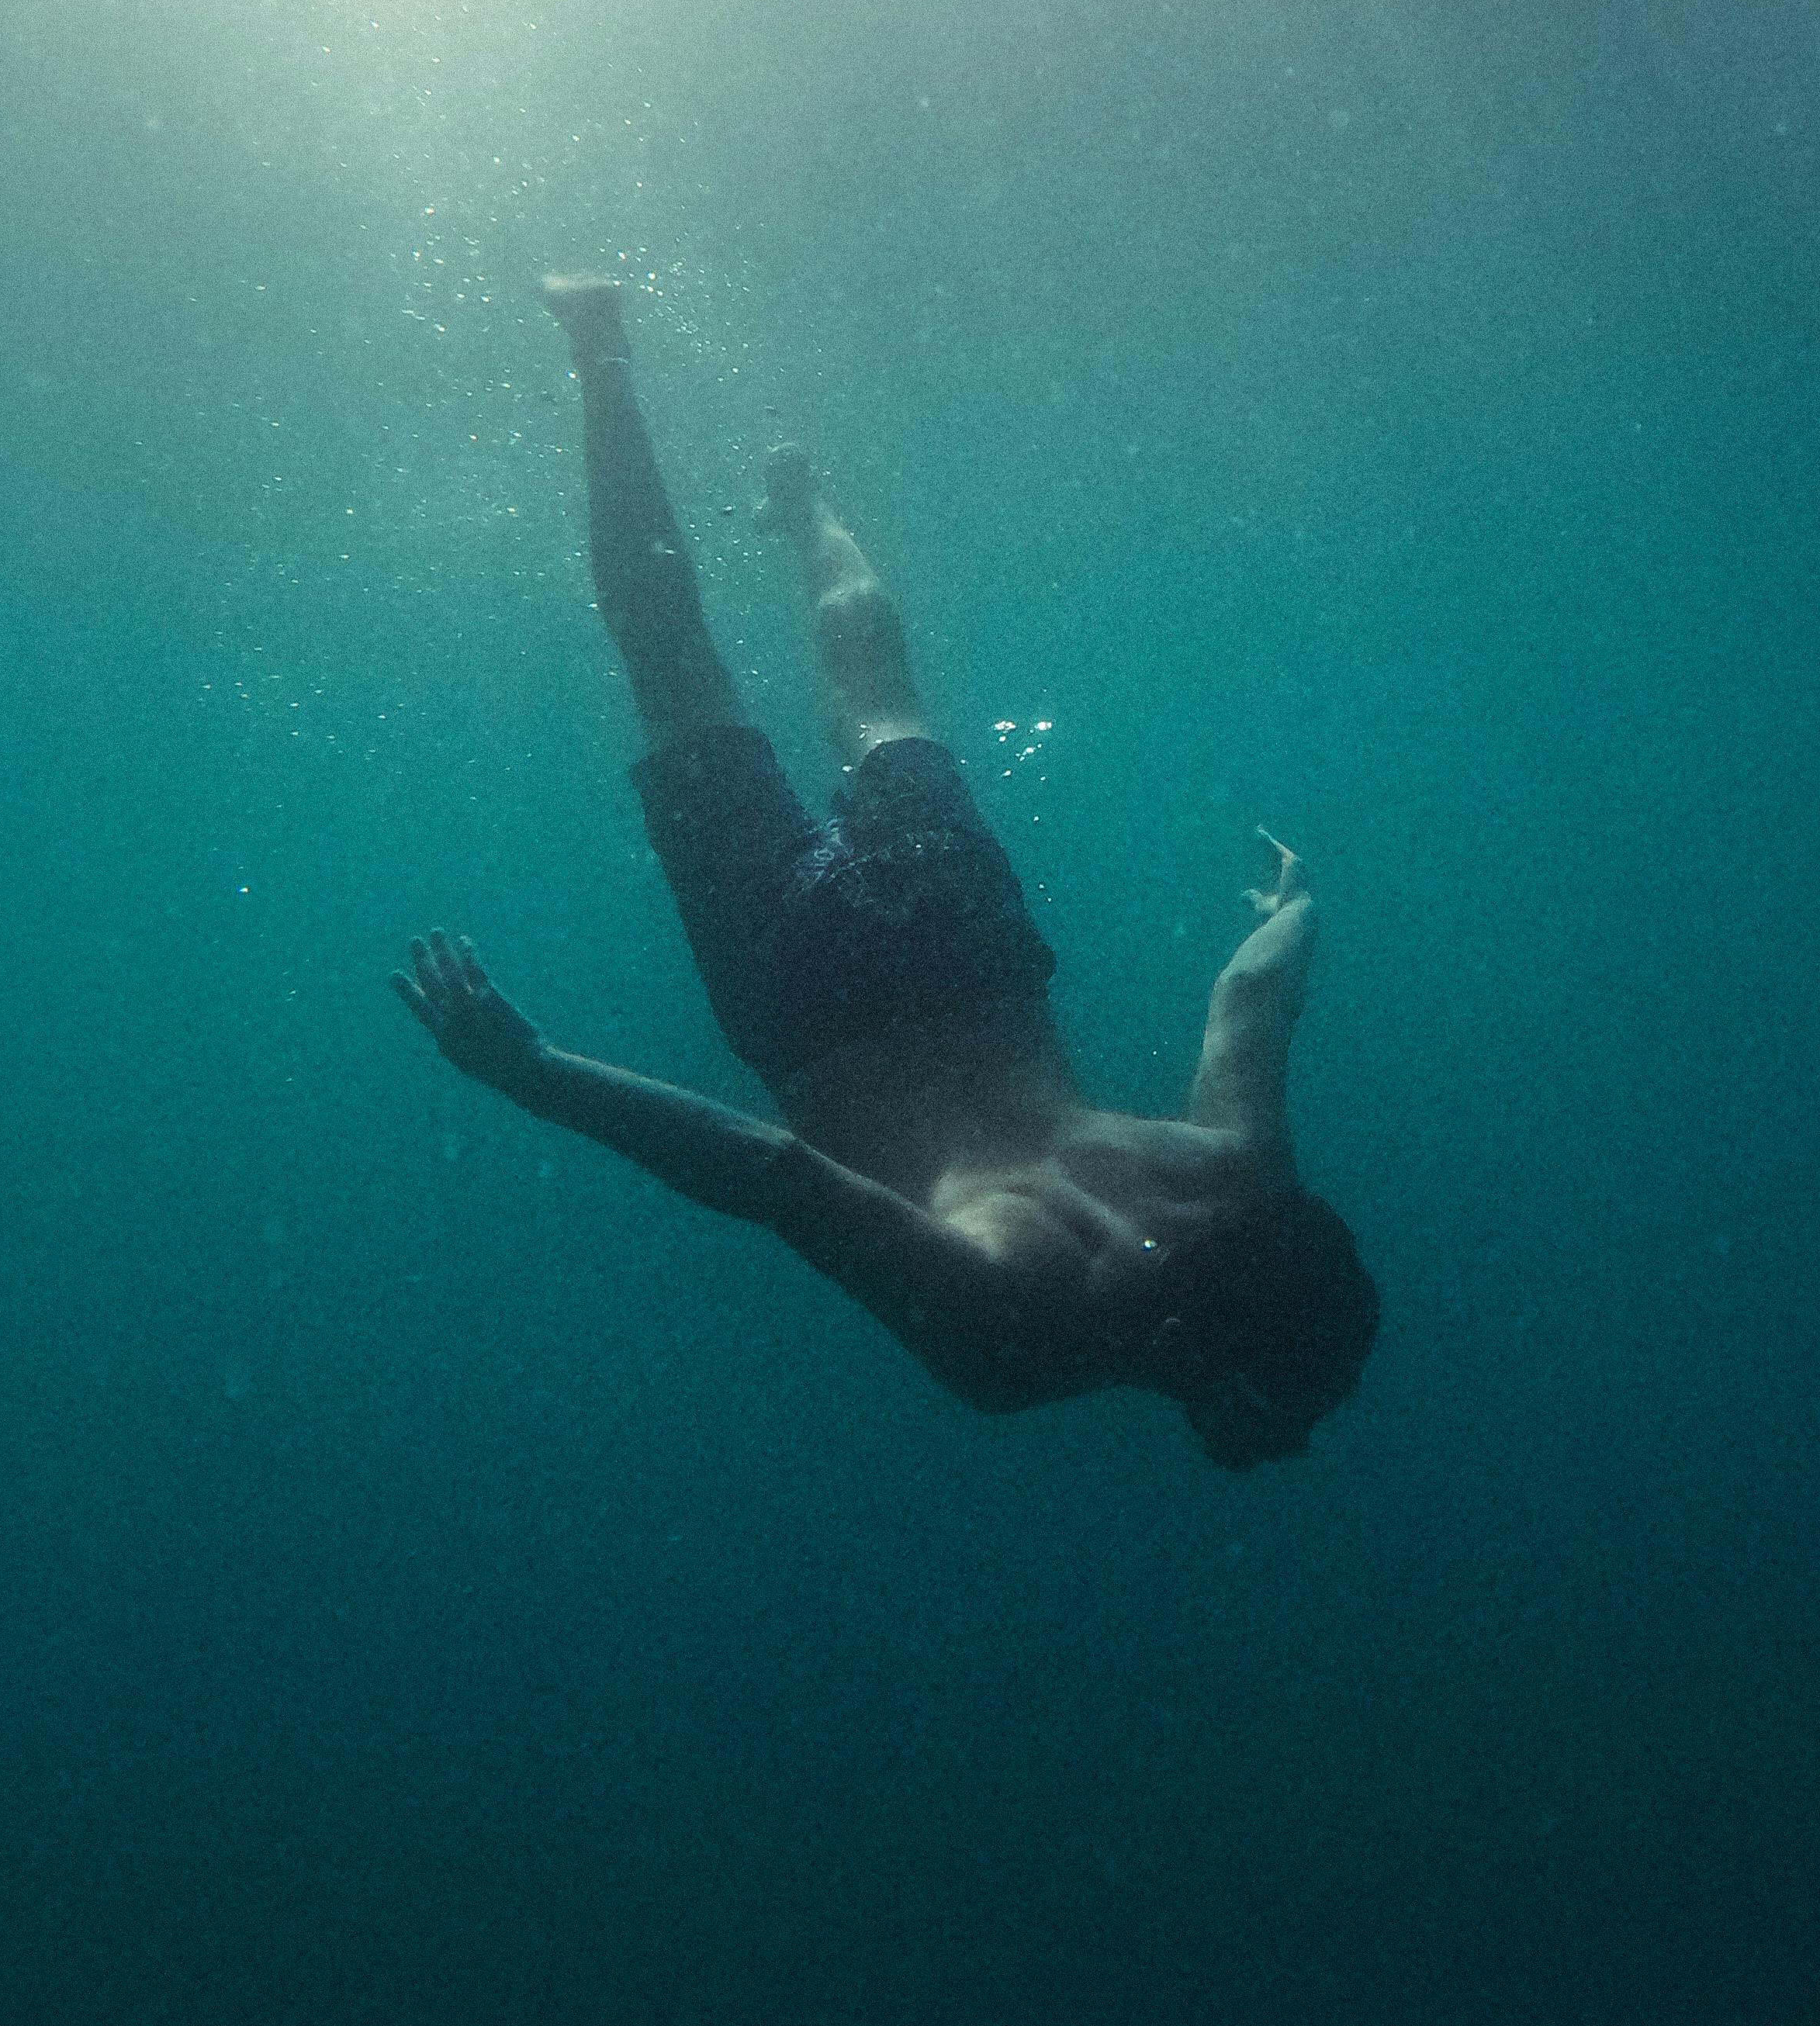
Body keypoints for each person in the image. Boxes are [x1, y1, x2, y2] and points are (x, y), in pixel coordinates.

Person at [393, 276, 1379, 1467]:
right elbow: (775, 1175)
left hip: (969, 954)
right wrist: (535, 1073)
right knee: (673, 665)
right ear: (1230, 1366)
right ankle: (599, 347)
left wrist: (1293, 908)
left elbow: (1252, 999)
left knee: (876, 690)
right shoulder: (1019, 1341)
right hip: (808, 1002)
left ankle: (805, 509)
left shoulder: (1242, 1179)